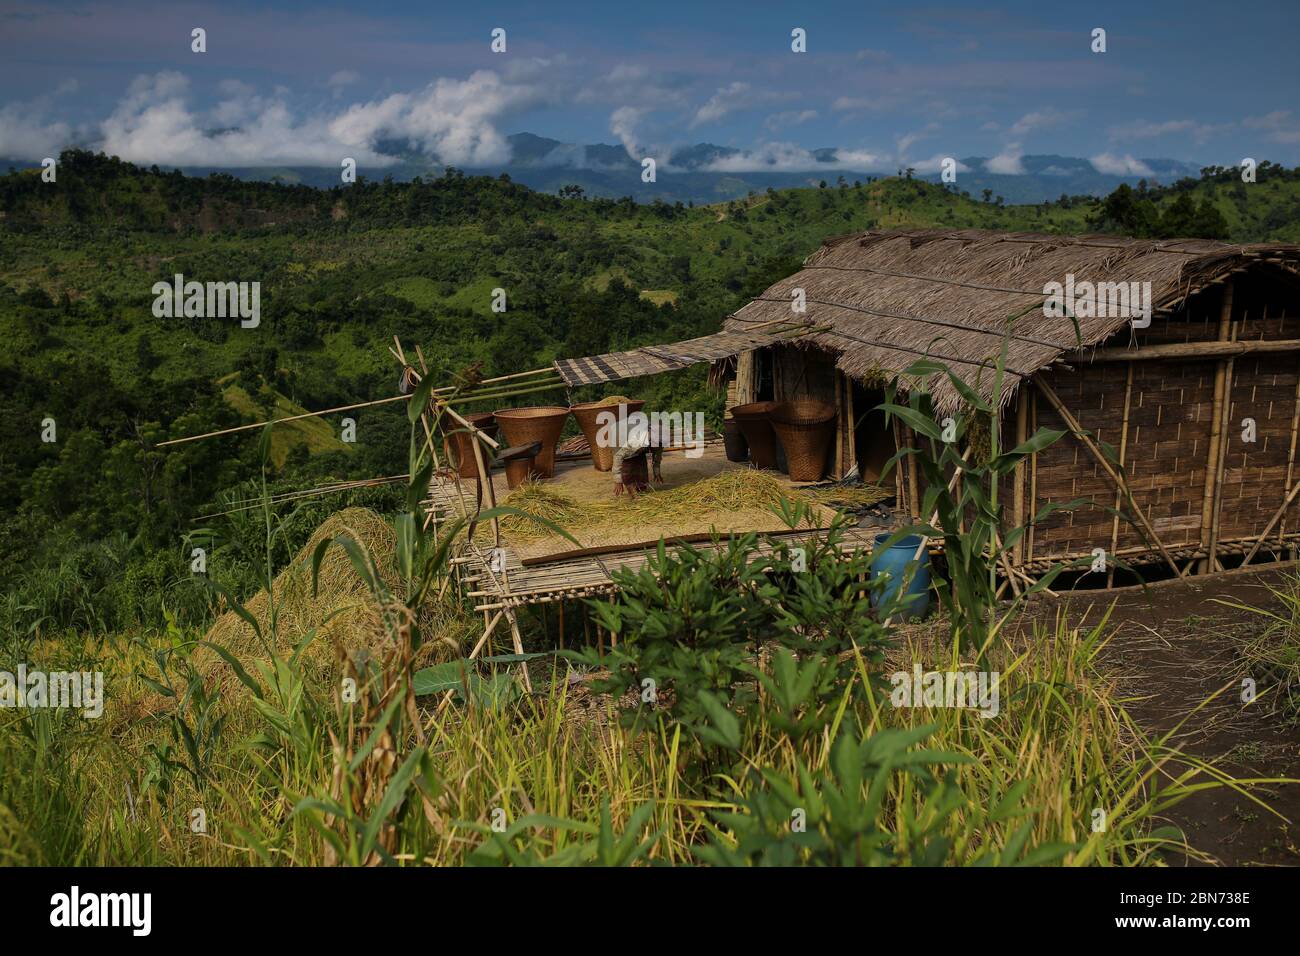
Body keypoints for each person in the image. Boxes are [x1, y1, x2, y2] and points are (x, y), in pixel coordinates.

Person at [612, 417, 663, 498]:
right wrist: (618, 480)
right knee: (628, 463)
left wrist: (657, 472)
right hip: (621, 434)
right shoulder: (636, 440)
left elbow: (657, 456)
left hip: (639, 436)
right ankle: (631, 487)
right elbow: (618, 456)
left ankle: (640, 486)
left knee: (641, 461)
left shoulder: (660, 439)